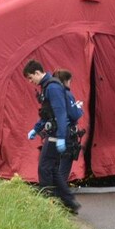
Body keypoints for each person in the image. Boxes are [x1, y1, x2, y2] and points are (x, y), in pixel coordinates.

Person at [23, 60, 80, 214]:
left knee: (45, 167)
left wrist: (61, 136)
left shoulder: (52, 87)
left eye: (30, 78)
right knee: (53, 169)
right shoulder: (47, 87)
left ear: (37, 73)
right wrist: (35, 129)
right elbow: (47, 113)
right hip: (56, 133)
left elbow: (60, 113)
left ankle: (46, 205)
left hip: (57, 134)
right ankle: (69, 203)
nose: (30, 82)